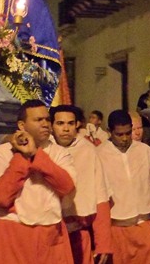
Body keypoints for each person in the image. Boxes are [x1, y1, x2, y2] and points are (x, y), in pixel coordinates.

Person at [0, 99, 76, 264]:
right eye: (38, 120)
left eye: (47, 119)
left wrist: (36, 155)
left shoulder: (60, 153)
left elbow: (67, 186)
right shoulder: (2, 153)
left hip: (49, 234)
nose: (45, 124)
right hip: (10, 234)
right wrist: (22, 157)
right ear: (22, 125)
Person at [97, 109, 150, 264]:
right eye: (119, 134)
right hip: (117, 228)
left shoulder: (143, 150)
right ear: (109, 132)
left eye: (128, 133)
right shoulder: (99, 154)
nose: (125, 138)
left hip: (144, 224)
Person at [50, 104, 112, 264]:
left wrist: (103, 242)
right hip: (49, 234)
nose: (65, 129)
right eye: (60, 123)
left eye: (70, 123)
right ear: (51, 125)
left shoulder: (88, 151)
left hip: (78, 233)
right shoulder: (43, 149)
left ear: (77, 125)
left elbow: (101, 197)